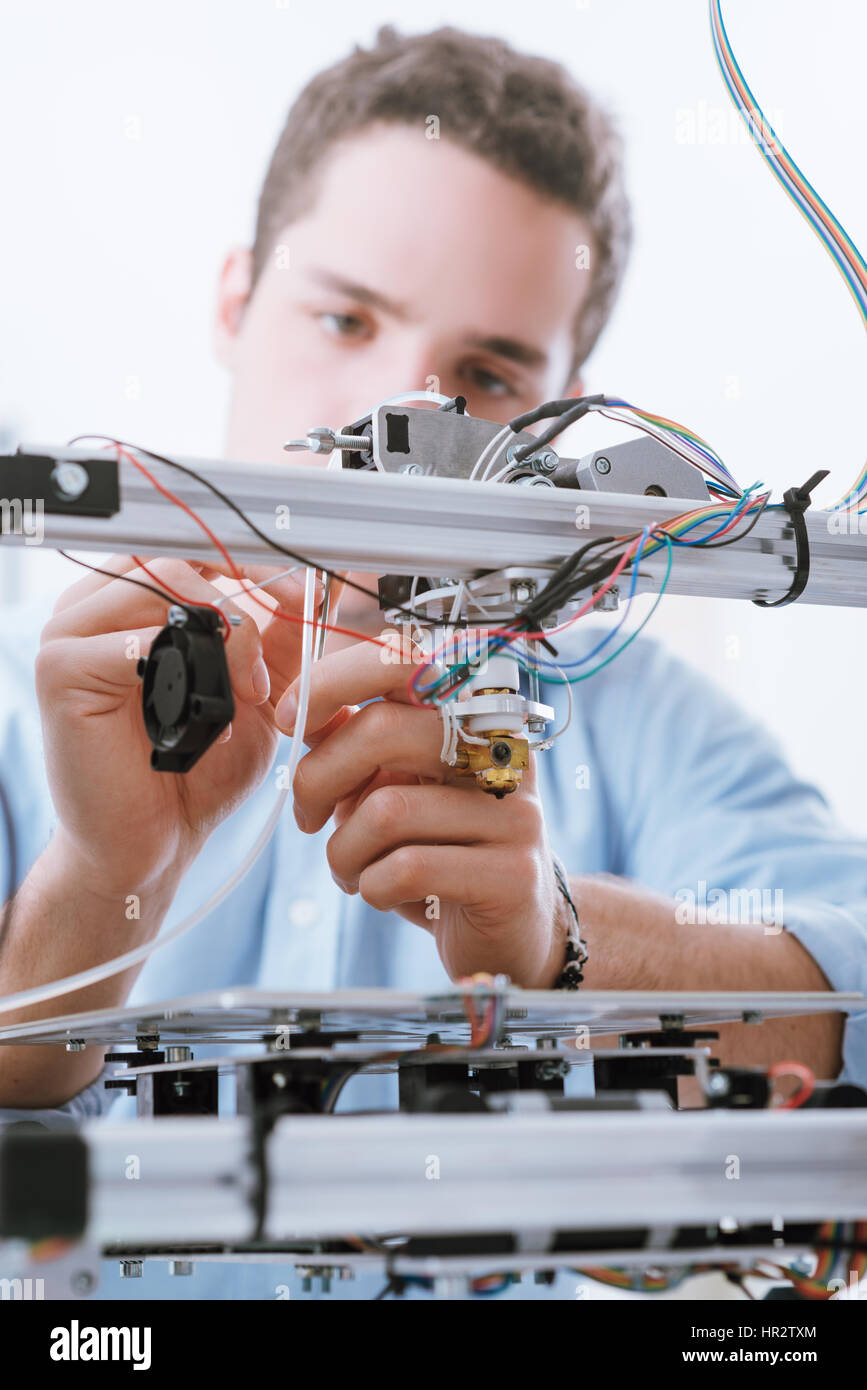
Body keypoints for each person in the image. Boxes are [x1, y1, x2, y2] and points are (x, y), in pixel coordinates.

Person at [1, 25, 866, 1301]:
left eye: (488, 375)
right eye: (344, 316)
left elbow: (845, 1000)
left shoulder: (653, 727)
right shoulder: (47, 710)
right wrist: (100, 885)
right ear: (234, 300)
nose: (393, 425)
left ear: (576, 409)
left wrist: (565, 944)